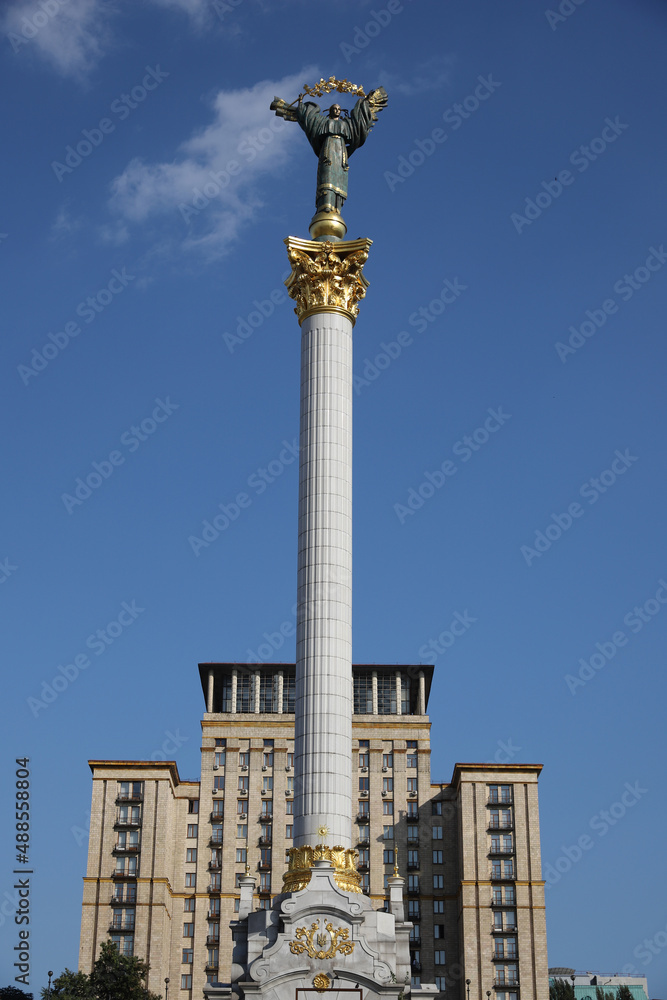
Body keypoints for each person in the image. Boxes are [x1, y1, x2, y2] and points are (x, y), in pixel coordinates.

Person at [271, 87, 388, 216]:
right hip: (328, 150)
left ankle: (336, 208)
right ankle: (325, 205)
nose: (337, 111)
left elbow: (359, 123)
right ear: (330, 111)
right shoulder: (323, 122)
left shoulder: (347, 124)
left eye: (338, 109)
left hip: (342, 154)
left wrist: (365, 103)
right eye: (334, 109)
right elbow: (308, 119)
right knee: (327, 177)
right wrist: (301, 105)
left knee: (340, 179)